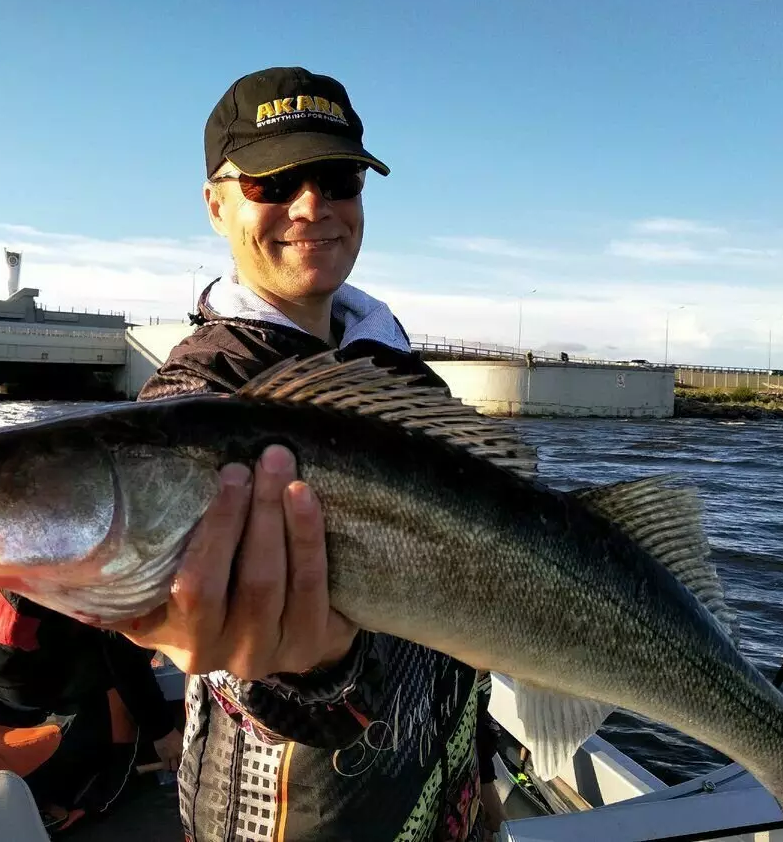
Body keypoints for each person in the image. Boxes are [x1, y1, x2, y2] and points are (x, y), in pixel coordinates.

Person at [116, 66, 505, 841]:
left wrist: (480, 771)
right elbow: (233, 669)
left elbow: (467, 622)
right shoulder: (193, 404)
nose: (311, 206)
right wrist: (310, 670)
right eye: (273, 181)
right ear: (216, 203)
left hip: (447, 805)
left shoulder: (403, 375)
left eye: (338, 178)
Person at [0, 582, 185, 829]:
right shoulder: (78, 562)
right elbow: (120, 647)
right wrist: (163, 731)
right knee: (134, 643)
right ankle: (82, 790)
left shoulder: (3, 547)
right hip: (28, 681)